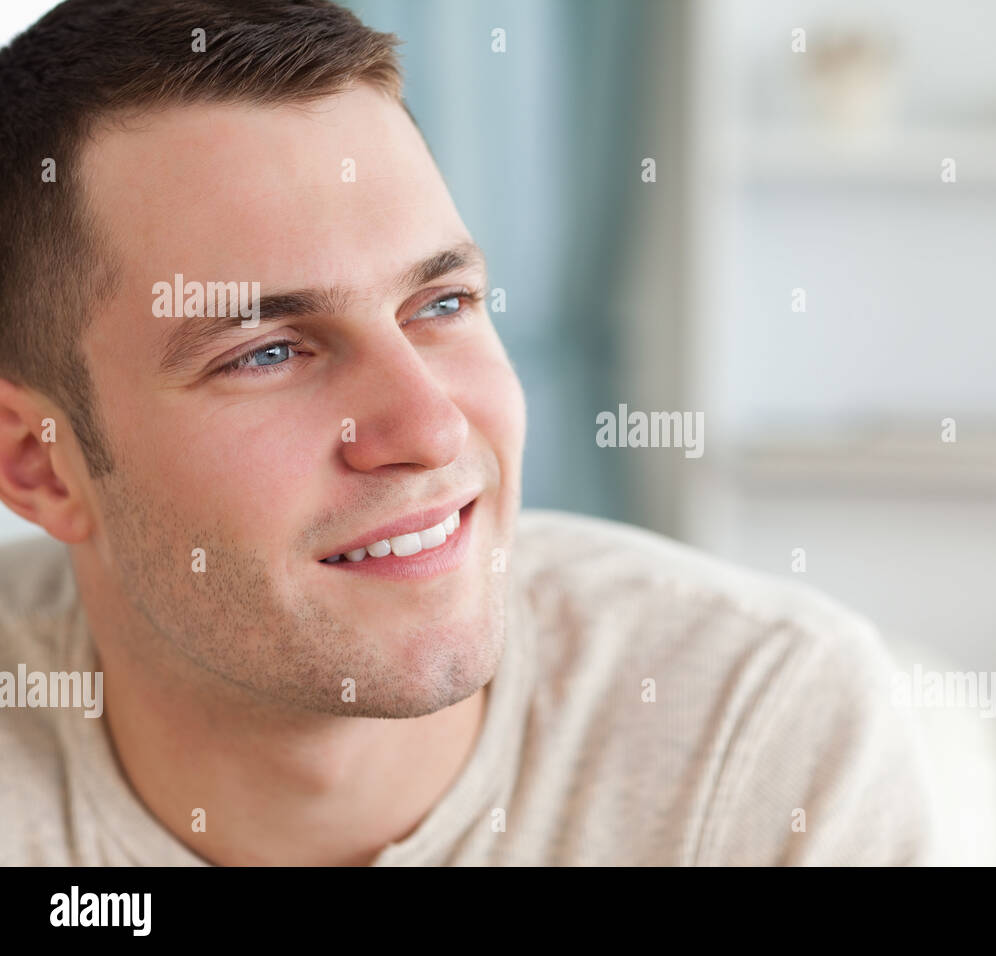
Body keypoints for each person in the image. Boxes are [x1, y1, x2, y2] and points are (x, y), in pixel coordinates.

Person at [0, 0, 934, 866]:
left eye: (441, 302)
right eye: (267, 353)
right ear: (38, 464)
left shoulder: (759, 729)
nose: (433, 429)